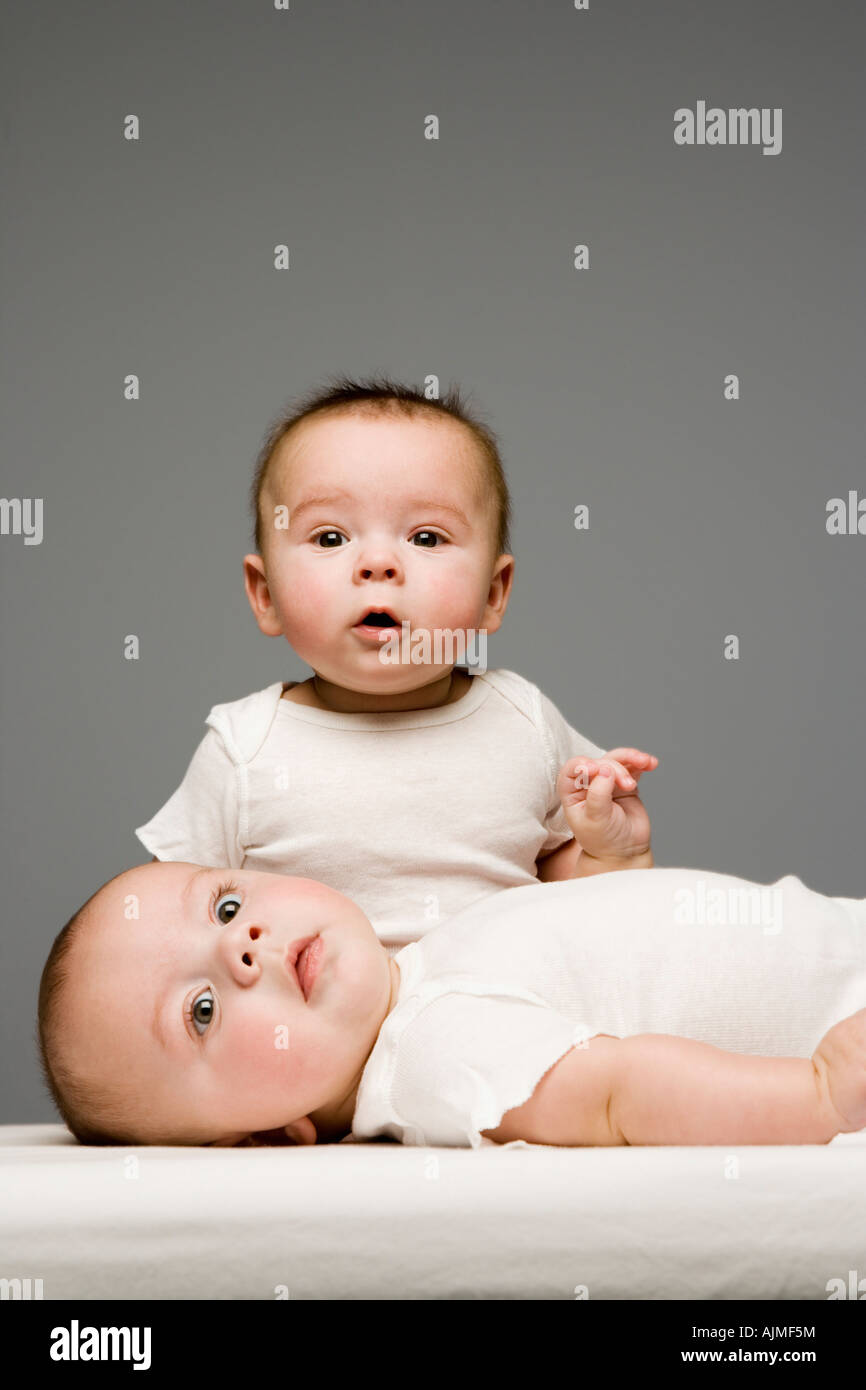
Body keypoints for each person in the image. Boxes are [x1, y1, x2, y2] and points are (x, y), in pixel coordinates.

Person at [134, 377, 659, 955]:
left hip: (507, 1025)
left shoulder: (525, 723)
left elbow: (581, 915)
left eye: (427, 537)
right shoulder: (244, 749)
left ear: (493, 593)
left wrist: (612, 854)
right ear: (265, 594)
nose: (379, 563)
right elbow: (164, 934)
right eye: (331, 536)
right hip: (325, 1040)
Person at [36, 858, 866, 1150]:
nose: (238, 944)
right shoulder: (434, 1057)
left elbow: (619, 958)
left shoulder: (428, 970)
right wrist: (820, 1094)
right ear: (258, 1138)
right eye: (203, 1011)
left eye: (221, 907)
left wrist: (618, 863)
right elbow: (619, 1096)